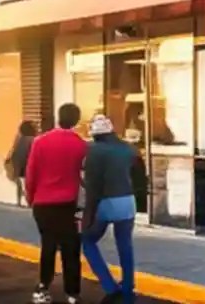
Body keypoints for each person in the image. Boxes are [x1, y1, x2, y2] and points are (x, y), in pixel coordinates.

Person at [25, 104, 87, 304]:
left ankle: (42, 288)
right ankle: (72, 293)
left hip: (42, 204)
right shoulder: (80, 144)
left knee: (48, 246)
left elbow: (31, 173)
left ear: (58, 117)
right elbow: (84, 175)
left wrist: (30, 198)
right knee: (71, 248)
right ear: (76, 121)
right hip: (67, 205)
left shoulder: (40, 142)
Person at [81, 114, 138, 304]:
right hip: (128, 201)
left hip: (106, 202)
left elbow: (93, 187)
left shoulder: (93, 151)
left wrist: (88, 215)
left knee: (88, 241)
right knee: (125, 245)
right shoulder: (128, 149)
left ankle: (109, 285)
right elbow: (139, 176)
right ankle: (128, 285)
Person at [7, 120, 37, 207]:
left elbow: (14, 154)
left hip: (18, 167)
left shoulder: (19, 139)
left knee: (20, 185)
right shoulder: (33, 140)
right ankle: (28, 203)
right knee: (27, 186)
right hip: (26, 168)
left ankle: (19, 202)